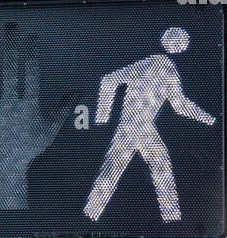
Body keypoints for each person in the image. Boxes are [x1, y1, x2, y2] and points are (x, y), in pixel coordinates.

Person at [83, 26, 214, 222]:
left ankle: (90, 215)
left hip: (139, 126)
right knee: (136, 169)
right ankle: (170, 219)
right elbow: (110, 80)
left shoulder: (162, 68)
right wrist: (102, 117)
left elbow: (179, 106)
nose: (184, 47)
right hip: (135, 125)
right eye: (182, 43)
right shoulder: (157, 65)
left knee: (118, 171)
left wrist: (209, 119)